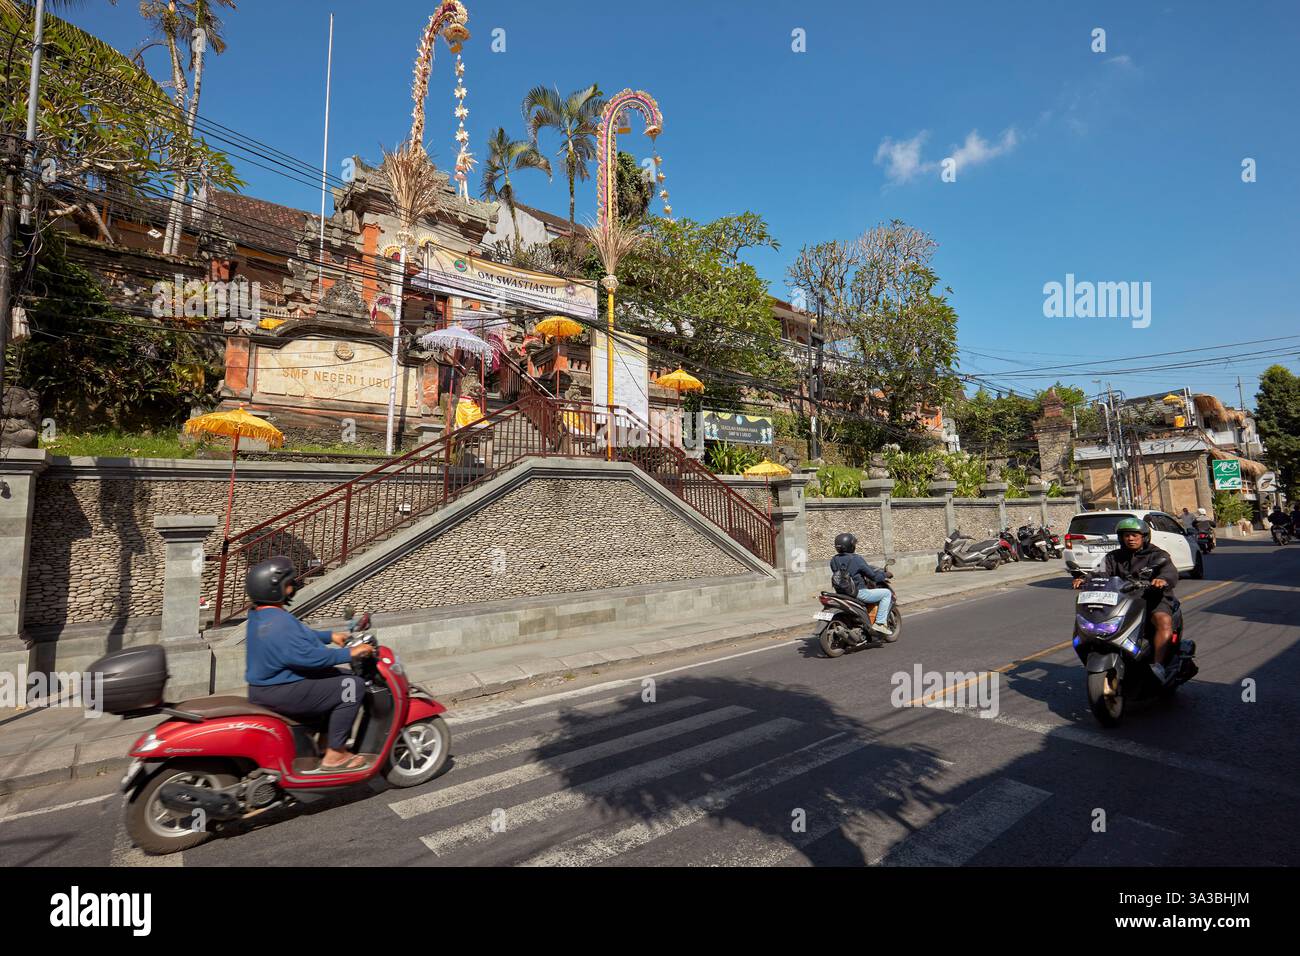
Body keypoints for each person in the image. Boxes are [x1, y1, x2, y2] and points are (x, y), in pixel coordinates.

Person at [243, 556, 375, 771]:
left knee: (335, 676)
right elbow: (308, 658)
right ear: (274, 588)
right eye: (289, 583)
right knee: (352, 686)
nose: (294, 587)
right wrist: (350, 653)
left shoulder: (263, 615)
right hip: (280, 690)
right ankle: (335, 755)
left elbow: (298, 636)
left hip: (268, 688)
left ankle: (326, 741)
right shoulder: (279, 621)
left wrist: (329, 636)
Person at [1072, 517, 1178, 683]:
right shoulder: (1113, 557)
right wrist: (1085, 579)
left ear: (1144, 537)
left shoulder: (1157, 555)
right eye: (1126, 535)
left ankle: (1158, 665)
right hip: (1124, 599)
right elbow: (1099, 572)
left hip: (1152, 598)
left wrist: (1162, 580)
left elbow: (1169, 572)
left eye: (1135, 535)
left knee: (1162, 620)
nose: (1130, 538)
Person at [830, 532, 892, 637]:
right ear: (850, 546)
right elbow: (873, 576)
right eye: (854, 544)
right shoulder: (856, 559)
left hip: (842, 593)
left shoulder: (834, 560)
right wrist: (885, 574)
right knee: (886, 593)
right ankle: (880, 623)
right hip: (859, 592)